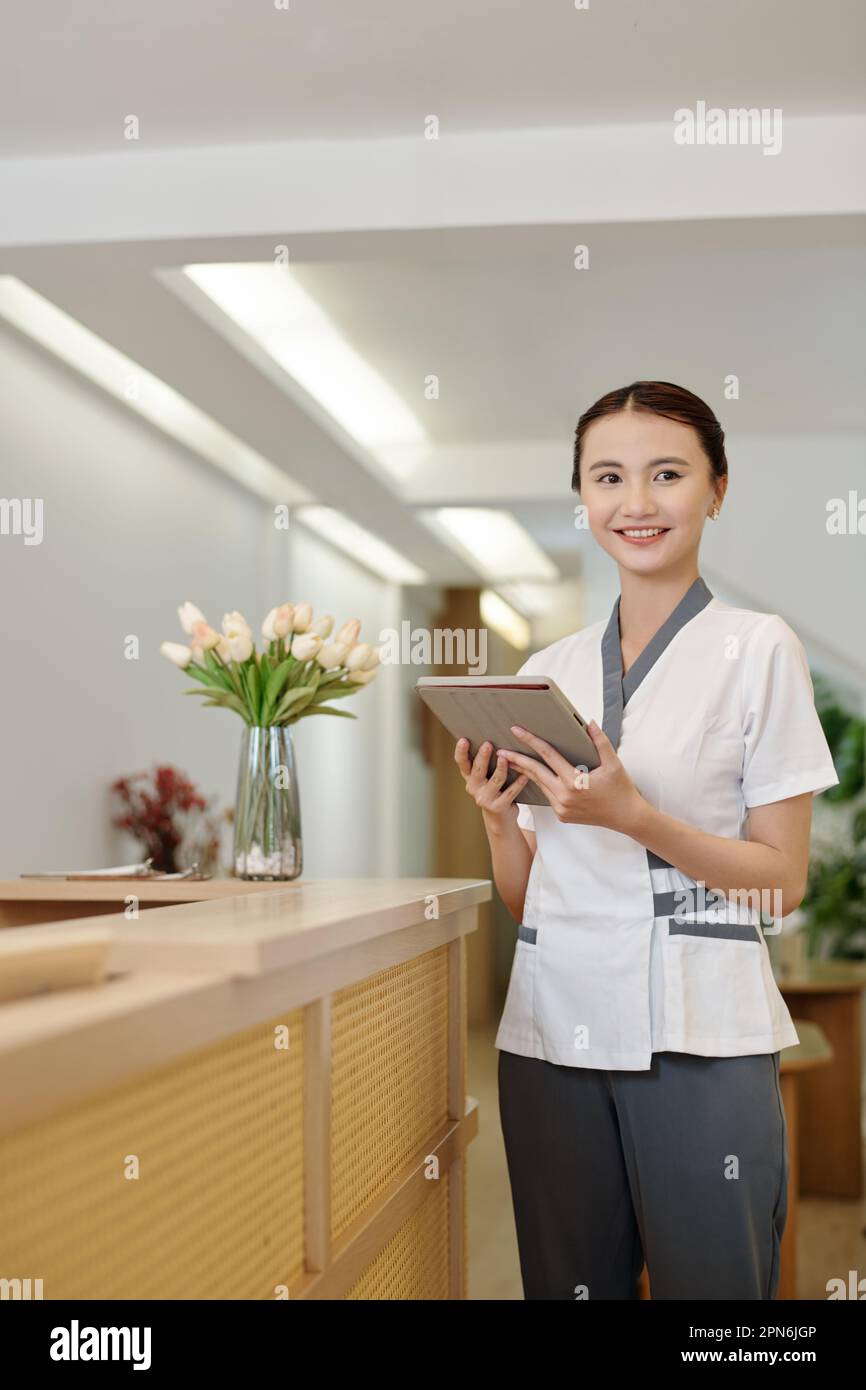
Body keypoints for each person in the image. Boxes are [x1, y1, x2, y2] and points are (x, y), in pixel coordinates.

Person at [455, 381, 839, 1301]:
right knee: (565, 1285)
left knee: (718, 1298)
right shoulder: (546, 670)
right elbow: (530, 897)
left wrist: (638, 819)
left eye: (667, 474)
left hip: (699, 1033)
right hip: (552, 1033)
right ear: (583, 500)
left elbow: (781, 883)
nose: (636, 503)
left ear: (716, 489)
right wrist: (499, 819)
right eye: (608, 477)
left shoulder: (761, 647)